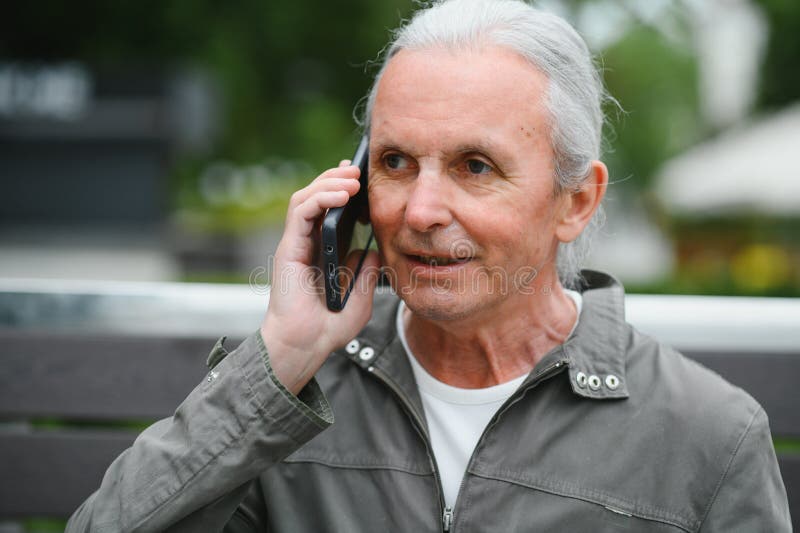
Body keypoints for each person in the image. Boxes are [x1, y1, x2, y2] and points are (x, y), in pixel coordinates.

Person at [67, 0, 791, 531]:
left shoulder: (709, 436)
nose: (418, 211)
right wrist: (281, 357)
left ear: (575, 200)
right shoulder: (290, 401)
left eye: (475, 165)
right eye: (394, 162)